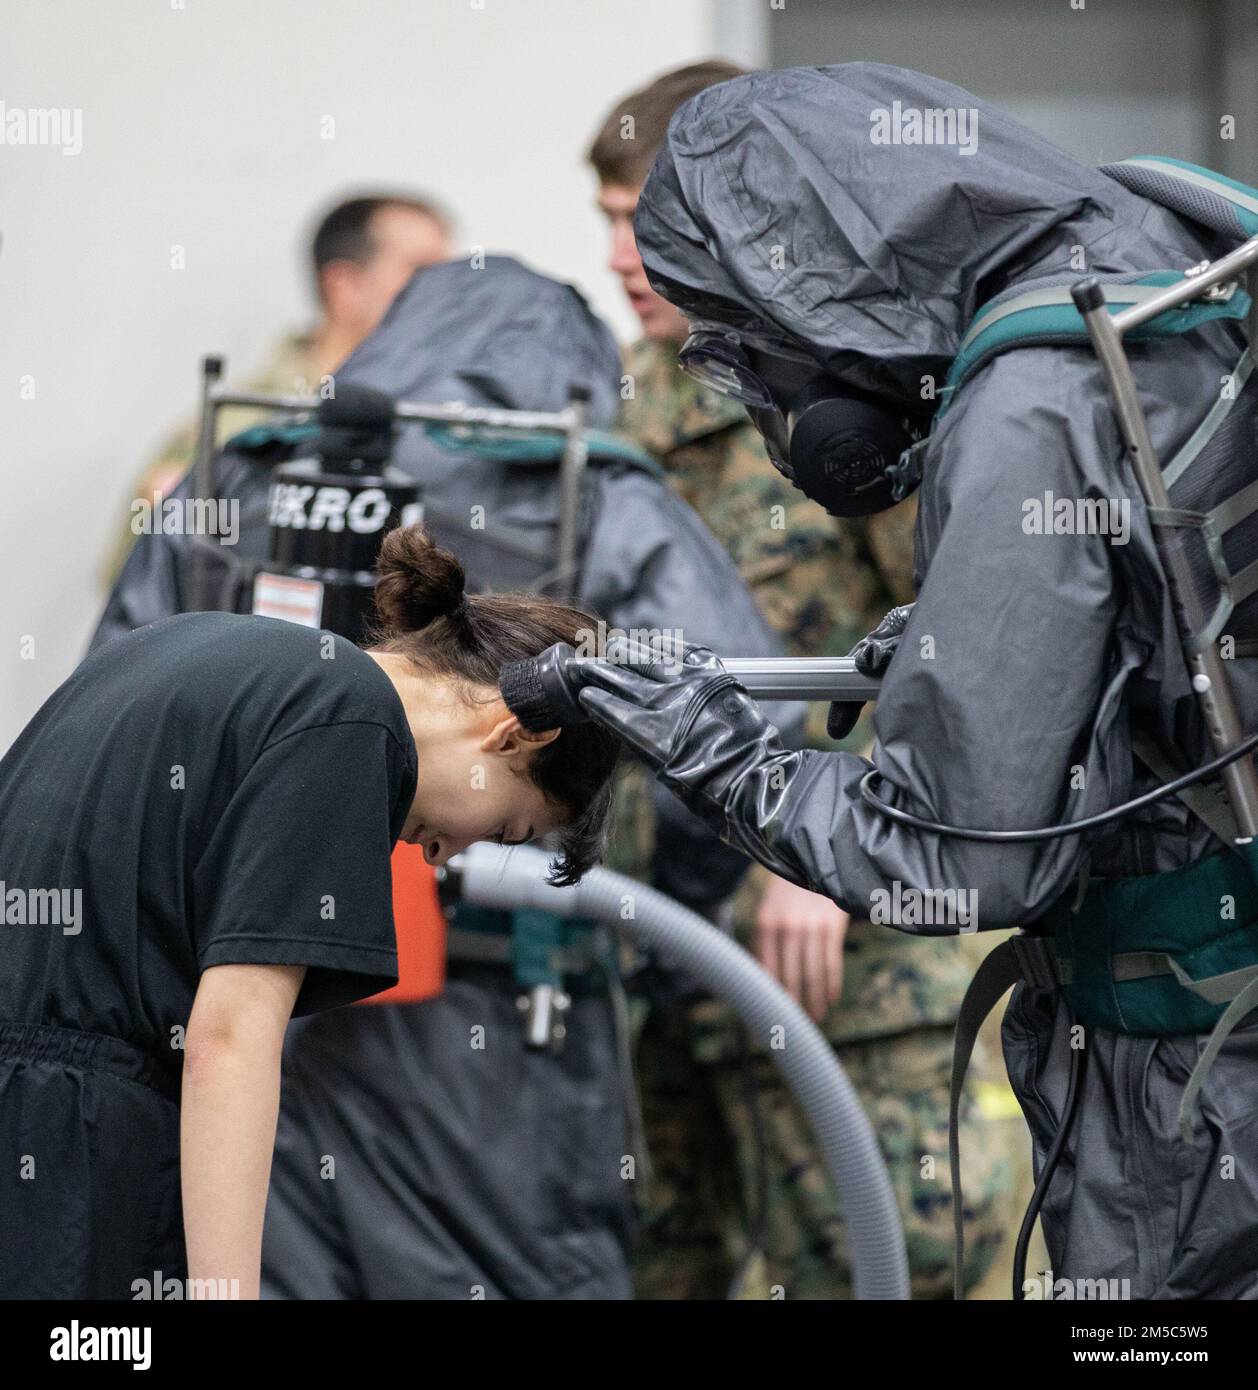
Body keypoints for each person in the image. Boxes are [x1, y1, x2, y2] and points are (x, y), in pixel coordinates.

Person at [558, 63, 1258, 1299]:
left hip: (1190, 1078)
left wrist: (721, 754)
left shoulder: (1028, 392)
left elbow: (959, 856)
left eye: (750, 342)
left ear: (799, 273)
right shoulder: (1168, 246)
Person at [93, 252, 800, 1298]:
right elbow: (746, 729)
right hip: (502, 1012)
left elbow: (122, 706)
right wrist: (654, 931)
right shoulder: (588, 486)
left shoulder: (242, 469)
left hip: (246, 1003)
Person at [588, 61, 1011, 1299]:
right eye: (604, 220)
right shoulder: (622, 408)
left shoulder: (849, 387)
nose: (619, 253)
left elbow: (964, 644)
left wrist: (835, 844)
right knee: (671, 1265)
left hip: (846, 944)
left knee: (885, 1264)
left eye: (637, 215)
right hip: (672, 941)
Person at [0, 524, 620, 1299]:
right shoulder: (352, 722)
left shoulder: (197, 646)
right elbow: (229, 1040)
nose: (443, 857)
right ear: (516, 733)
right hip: (71, 1152)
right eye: (501, 828)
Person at [102, 192, 452, 585]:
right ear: (346, 284)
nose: (444, 294)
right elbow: (138, 594)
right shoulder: (235, 425)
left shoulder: (446, 420)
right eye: (420, 272)